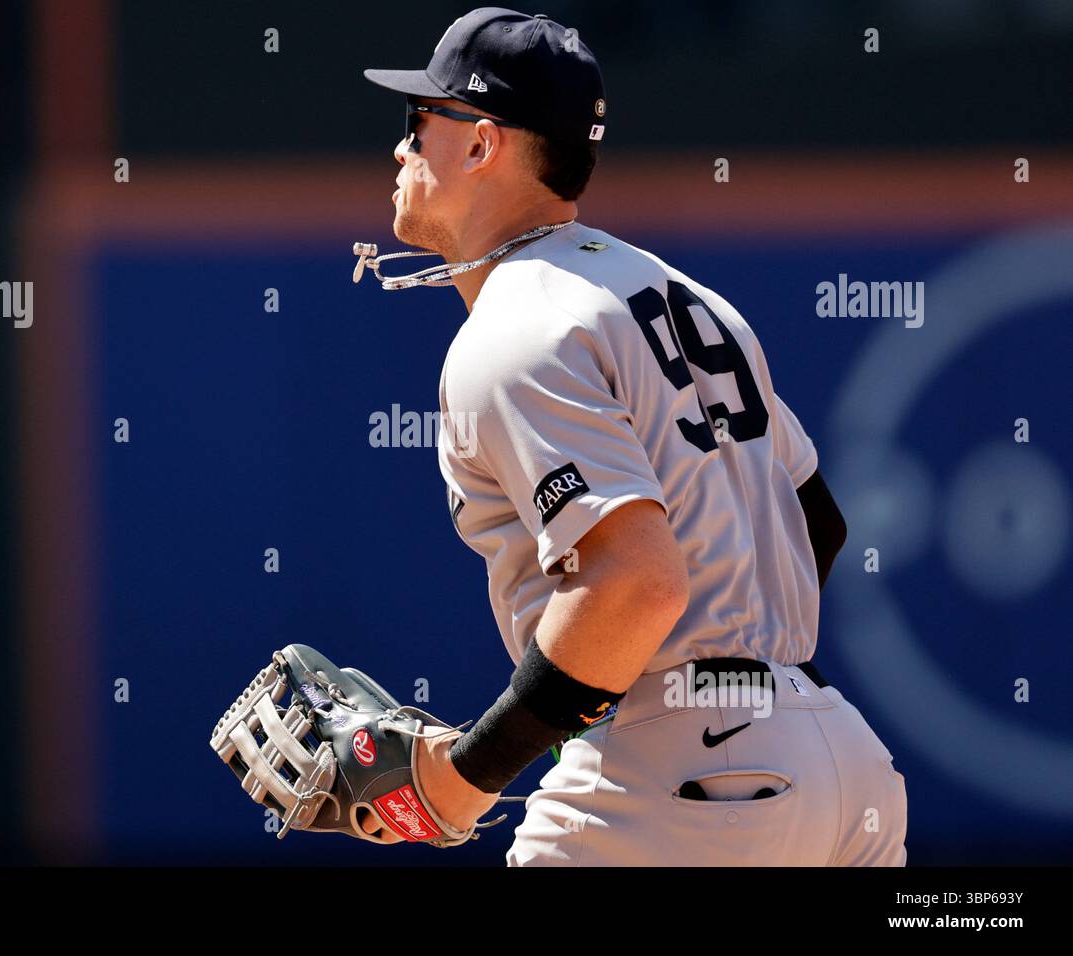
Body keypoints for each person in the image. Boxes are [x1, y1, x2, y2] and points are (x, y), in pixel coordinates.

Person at [355, 7, 907, 865]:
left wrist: (466, 774)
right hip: (839, 764)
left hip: (692, 778)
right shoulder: (685, 295)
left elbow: (638, 586)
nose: (402, 148)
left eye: (418, 122)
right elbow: (818, 523)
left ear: (480, 143)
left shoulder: (515, 325)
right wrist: (763, 685)